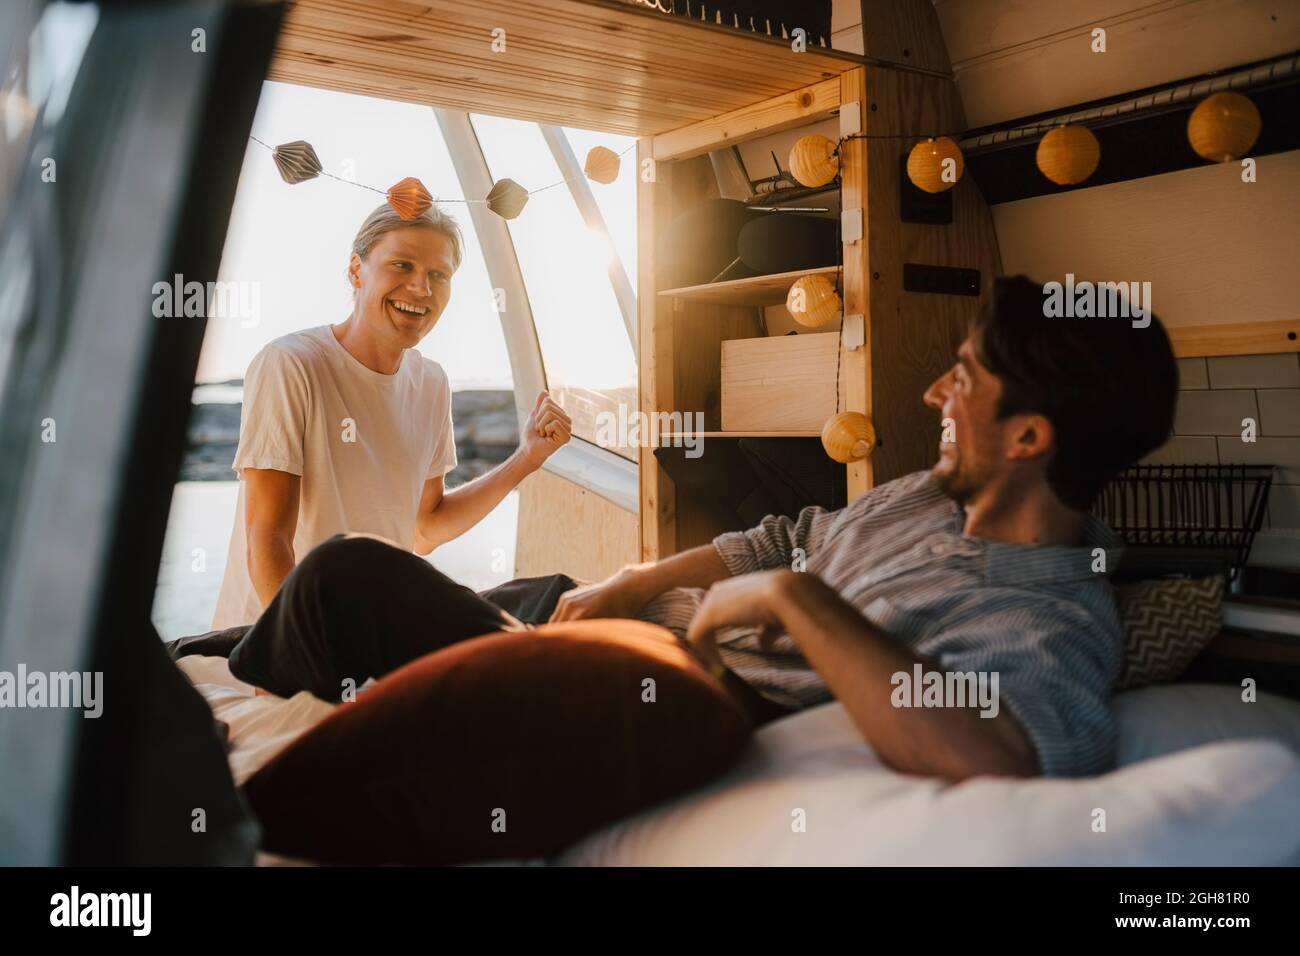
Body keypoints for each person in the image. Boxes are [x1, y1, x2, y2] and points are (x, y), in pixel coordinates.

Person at [225, 275, 1178, 781]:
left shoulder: (1048, 610)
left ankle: (229, 677)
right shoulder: (922, 497)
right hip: (646, 630)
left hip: (671, 699)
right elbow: (779, 536)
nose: (934, 391)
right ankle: (226, 650)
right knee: (533, 592)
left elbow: (1011, 756)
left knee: (348, 573)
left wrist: (787, 600)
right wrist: (637, 583)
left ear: (1029, 435)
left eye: (963, 378)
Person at [210, 203, 571, 630]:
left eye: (439, 275)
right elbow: (267, 541)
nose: (421, 288)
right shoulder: (291, 364)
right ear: (356, 271)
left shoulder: (431, 382)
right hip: (274, 648)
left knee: (555, 603)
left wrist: (527, 457)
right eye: (402, 265)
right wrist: (314, 657)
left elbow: (426, 528)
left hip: (374, 638)